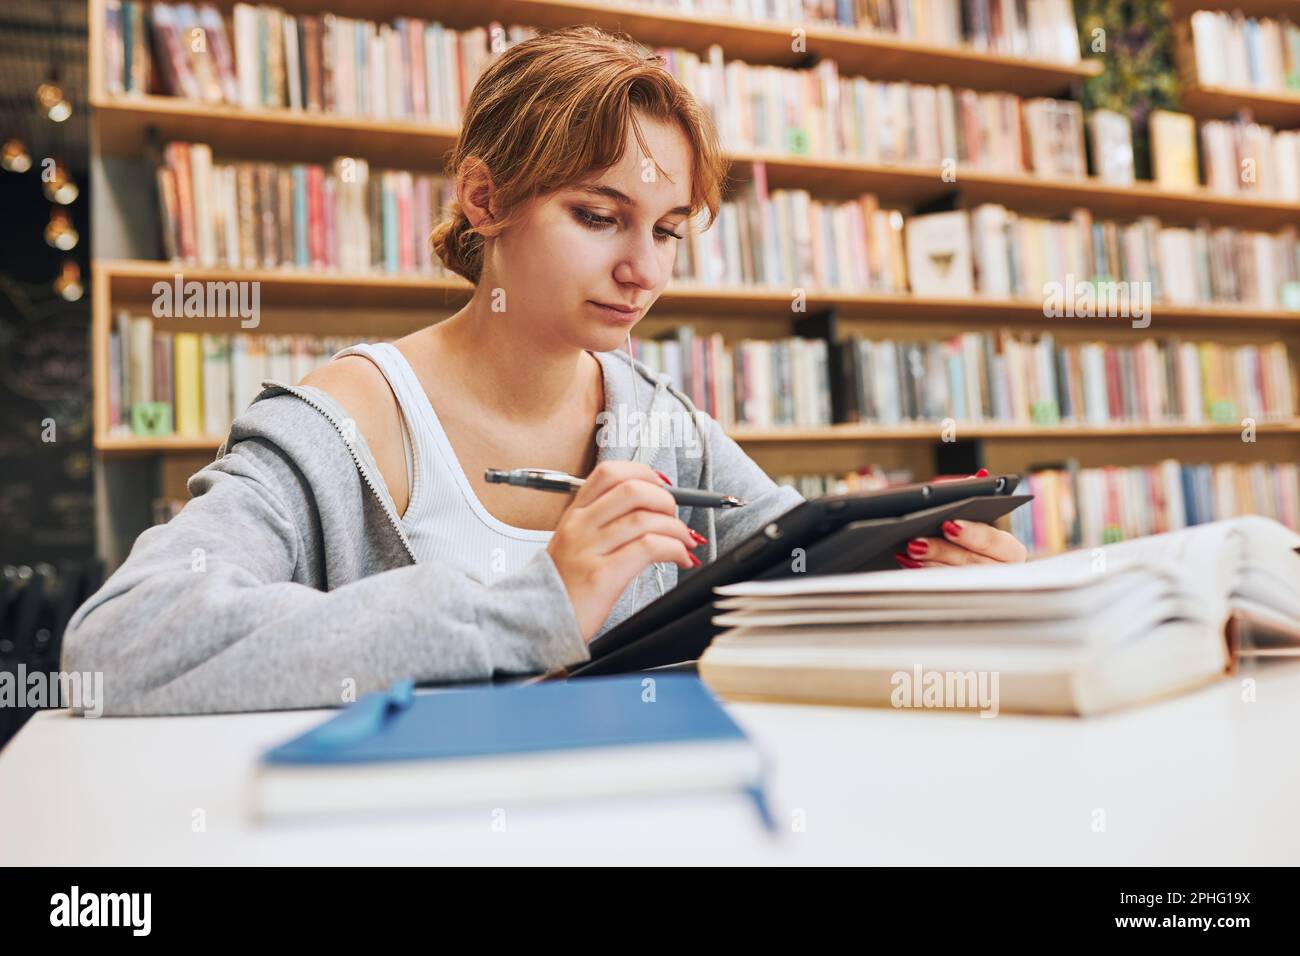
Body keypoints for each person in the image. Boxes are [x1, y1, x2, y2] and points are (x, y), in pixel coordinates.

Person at [62, 25, 1026, 716]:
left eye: (668, 231)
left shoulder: (659, 423)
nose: (642, 270)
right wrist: (534, 608)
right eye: (597, 217)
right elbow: (122, 645)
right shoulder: (338, 426)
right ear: (484, 197)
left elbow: (793, 565)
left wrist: (924, 580)